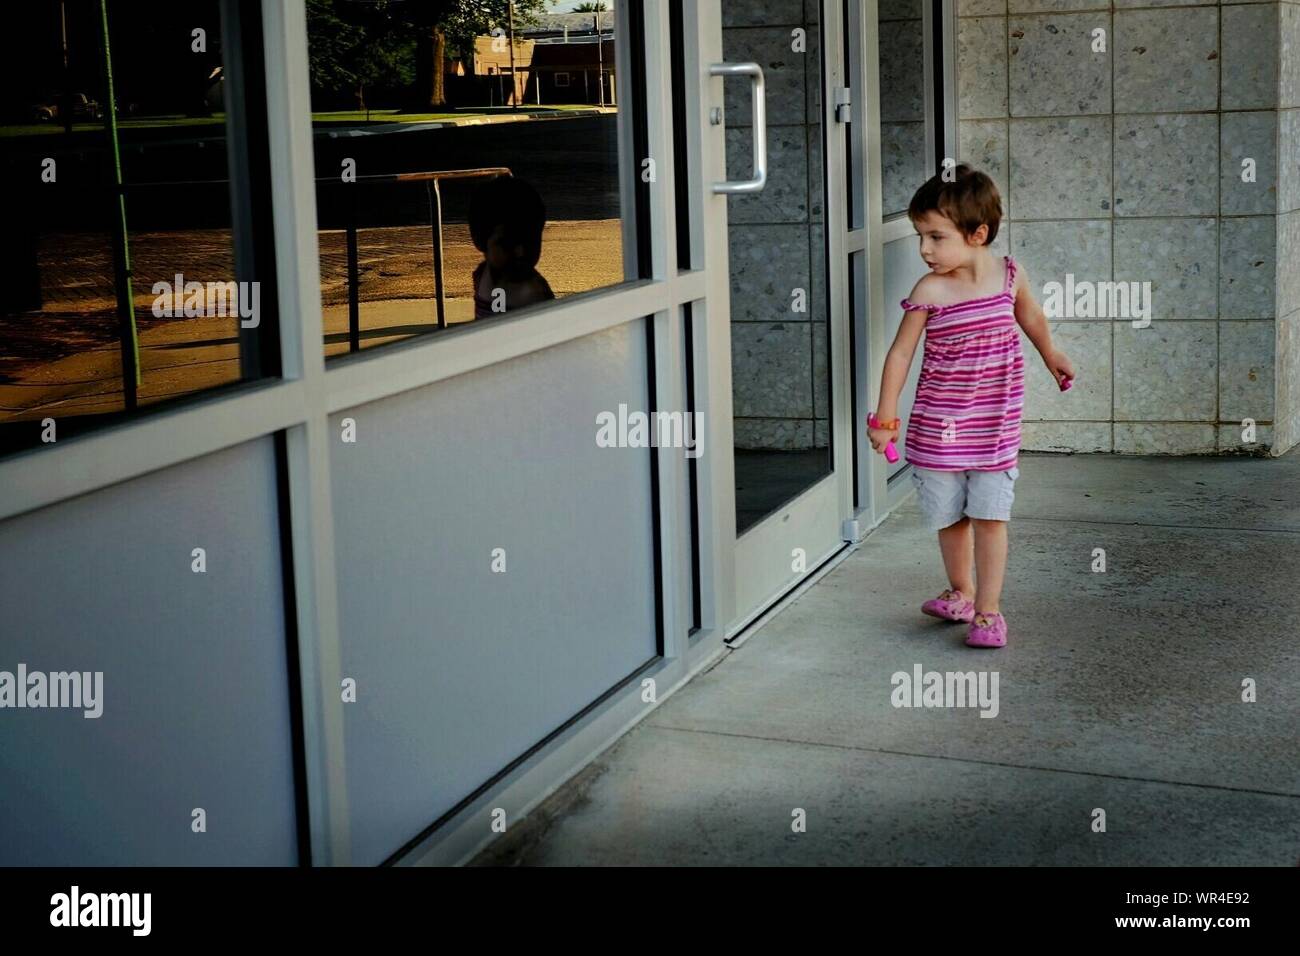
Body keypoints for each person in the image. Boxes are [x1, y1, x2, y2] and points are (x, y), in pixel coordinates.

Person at [868, 164, 1075, 648]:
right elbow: (900, 354)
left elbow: (1033, 318)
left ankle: (989, 611)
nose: (924, 250)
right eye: (921, 236)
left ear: (977, 233)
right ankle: (961, 592)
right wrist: (885, 419)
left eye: (936, 237)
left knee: (990, 515)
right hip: (939, 427)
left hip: (994, 426)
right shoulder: (930, 291)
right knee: (950, 516)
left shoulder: (1009, 275)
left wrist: (1052, 354)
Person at [468, 175, 555, 320]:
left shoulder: (532, 293)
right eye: (508, 243)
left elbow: (496, 323)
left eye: (529, 239)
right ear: (480, 241)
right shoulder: (531, 292)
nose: (520, 251)